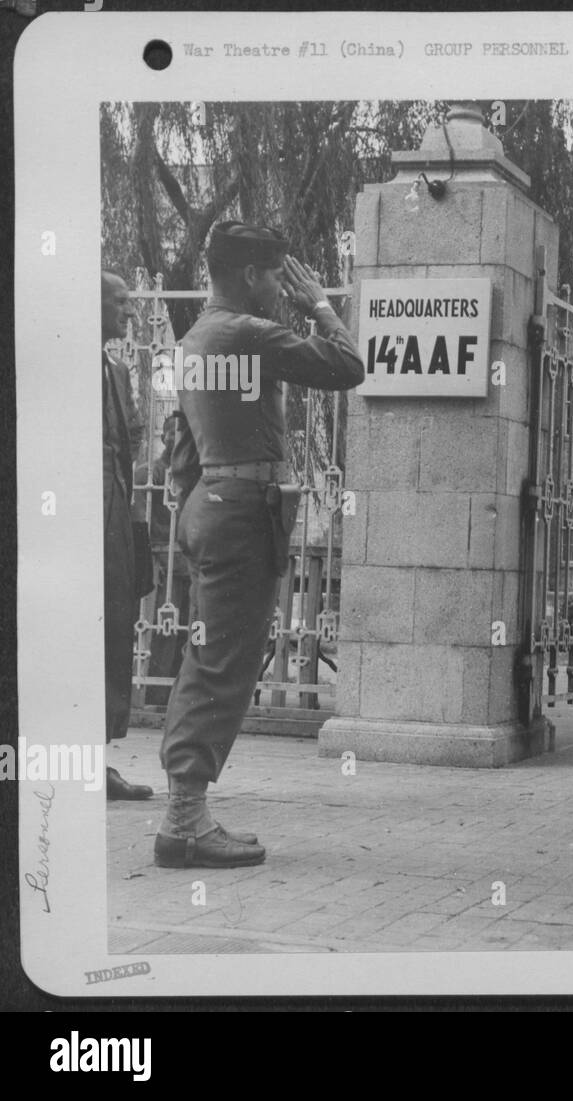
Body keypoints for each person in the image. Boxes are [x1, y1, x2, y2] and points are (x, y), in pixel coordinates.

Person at [155, 222, 365, 869]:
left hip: (212, 510)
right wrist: (323, 308)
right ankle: (183, 822)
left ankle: (188, 813)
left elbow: (181, 450)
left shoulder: (194, 340)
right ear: (249, 274)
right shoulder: (248, 333)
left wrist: (193, 522)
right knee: (220, 664)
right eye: (277, 274)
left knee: (210, 657)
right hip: (242, 515)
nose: (282, 286)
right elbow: (349, 366)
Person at [102, 271, 155, 801]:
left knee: (114, 632)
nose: (130, 313)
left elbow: (132, 437)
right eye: (120, 303)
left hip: (114, 516)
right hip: (75, 523)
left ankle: (98, 758)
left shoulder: (116, 371)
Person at [133, 412, 190, 706]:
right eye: (171, 432)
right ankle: (156, 695)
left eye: (181, 432)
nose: (175, 437)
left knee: (190, 628)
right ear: (163, 437)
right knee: (165, 629)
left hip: (189, 560)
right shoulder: (150, 473)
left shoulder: (194, 473)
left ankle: (180, 697)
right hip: (163, 560)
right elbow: (144, 519)